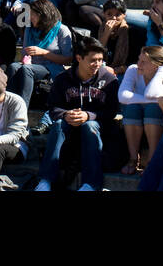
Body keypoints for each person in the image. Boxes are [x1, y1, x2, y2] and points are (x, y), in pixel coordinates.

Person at [34, 35, 121, 192]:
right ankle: (45, 180)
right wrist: (66, 115)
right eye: (93, 60)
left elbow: (112, 111)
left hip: (97, 131)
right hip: (69, 131)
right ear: (79, 58)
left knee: (90, 125)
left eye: (101, 59)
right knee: (59, 124)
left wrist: (89, 115)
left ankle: (91, 183)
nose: (98, 64)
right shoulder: (62, 79)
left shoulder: (109, 80)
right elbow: (53, 109)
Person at [6, 0, 73, 107]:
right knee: (13, 66)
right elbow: (24, 52)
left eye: (33, 14)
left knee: (27, 69)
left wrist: (43, 53)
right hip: (32, 65)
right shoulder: (30, 29)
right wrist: (26, 58)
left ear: (43, 15)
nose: (30, 17)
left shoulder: (61, 30)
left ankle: (22, 110)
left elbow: (68, 59)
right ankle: (9, 106)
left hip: (52, 67)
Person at [117, 45, 163, 174]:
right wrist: (155, 100)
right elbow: (123, 96)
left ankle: (152, 160)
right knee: (131, 108)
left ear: (156, 66)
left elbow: (151, 92)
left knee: (152, 108)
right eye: (138, 59)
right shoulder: (133, 69)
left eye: (143, 62)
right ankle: (133, 158)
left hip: (161, 116)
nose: (138, 64)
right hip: (138, 114)